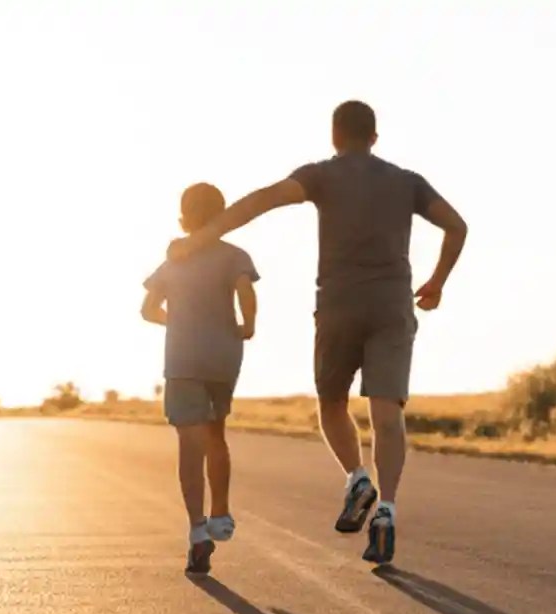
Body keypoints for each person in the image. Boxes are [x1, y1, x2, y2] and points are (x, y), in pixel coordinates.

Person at [168, 100, 468, 565]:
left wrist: (200, 240)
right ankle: (385, 509)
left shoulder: (321, 175)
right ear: (374, 137)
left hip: (339, 308)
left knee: (331, 404)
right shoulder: (407, 181)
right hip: (391, 306)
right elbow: (456, 225)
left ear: (334, 136)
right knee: (387, 414)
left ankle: (357, 477)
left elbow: (260, 201)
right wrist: (437, 281)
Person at [142, 182, 260, 575]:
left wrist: (173, 321)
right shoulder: (234, 256)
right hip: (222, 357)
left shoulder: (173, 259)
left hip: (183, 360)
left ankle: (197, 531)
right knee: (216, 435)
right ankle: (221, 513)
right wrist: (248, 324)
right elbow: (245, 290)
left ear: (183, 217)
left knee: (189, 446)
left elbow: (147, 309)